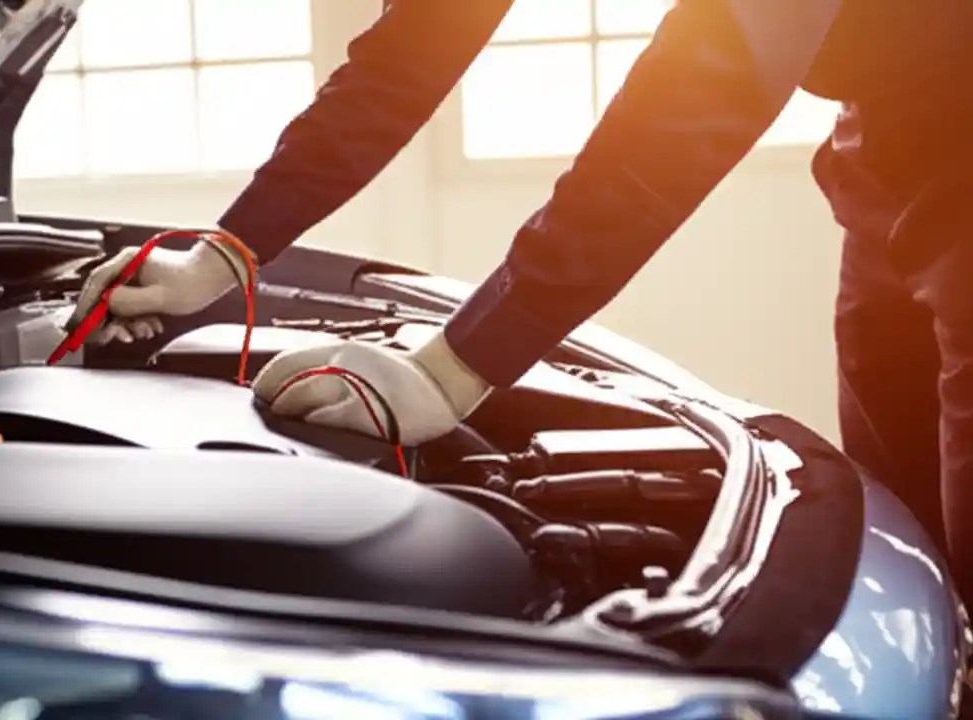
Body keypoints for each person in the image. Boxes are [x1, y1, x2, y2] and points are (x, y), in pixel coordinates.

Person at [66, 0, 973, 600]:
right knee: (912, 559)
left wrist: (464, 363)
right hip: (885, 147)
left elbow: (704, 90)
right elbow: (405, 59)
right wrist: (224, 255)